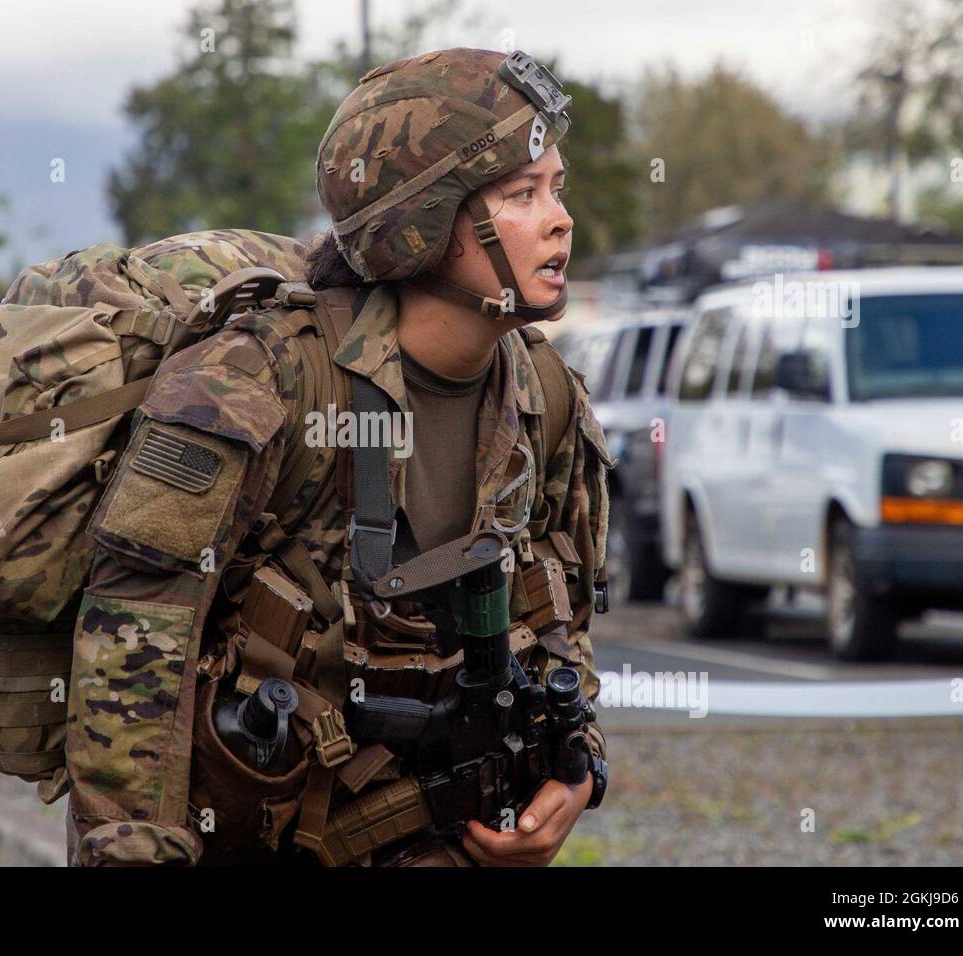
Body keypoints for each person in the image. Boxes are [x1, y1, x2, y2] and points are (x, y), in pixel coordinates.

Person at [66, 47, 613, 867]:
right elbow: (131, 648)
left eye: (557, 190)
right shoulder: (260, 380)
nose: (559, 219)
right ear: (422, 223)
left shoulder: (546, 393)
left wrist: (578, 771)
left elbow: (563, 614)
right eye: (520, 194)